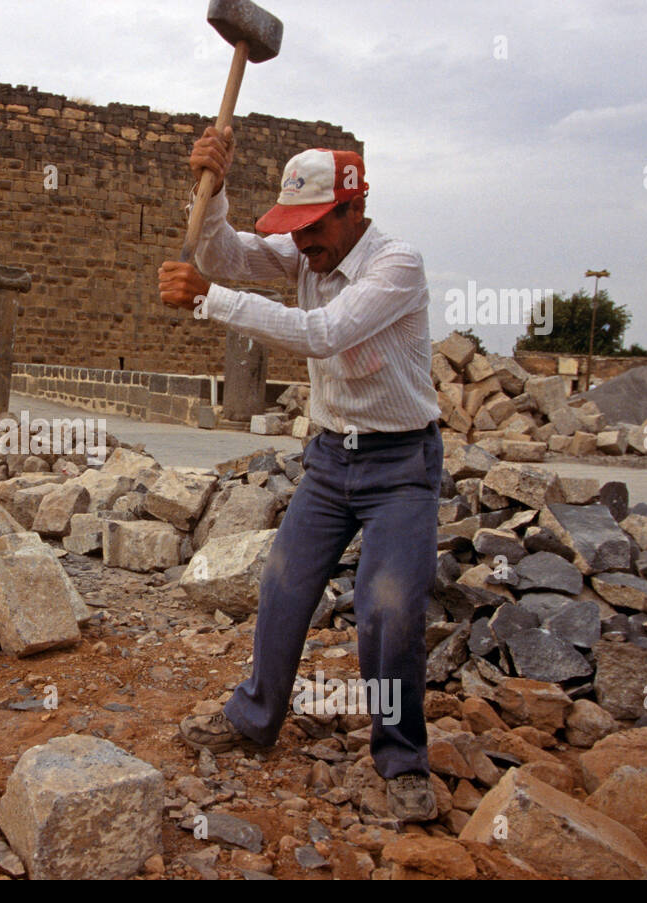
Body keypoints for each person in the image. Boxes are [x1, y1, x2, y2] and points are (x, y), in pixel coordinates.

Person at [158, 127, 443, 822]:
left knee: (387, 609)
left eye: (315, 230)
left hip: (401, 463)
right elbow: (226, 251)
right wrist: (215, 184)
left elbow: (323, 334)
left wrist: (209, 300)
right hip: (328, 458)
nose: (305, 246)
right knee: (282, 588)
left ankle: (402, 757)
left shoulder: (396, 265)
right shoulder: (310, 251)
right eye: (298, 232)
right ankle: (254, 719)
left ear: (354, 209)